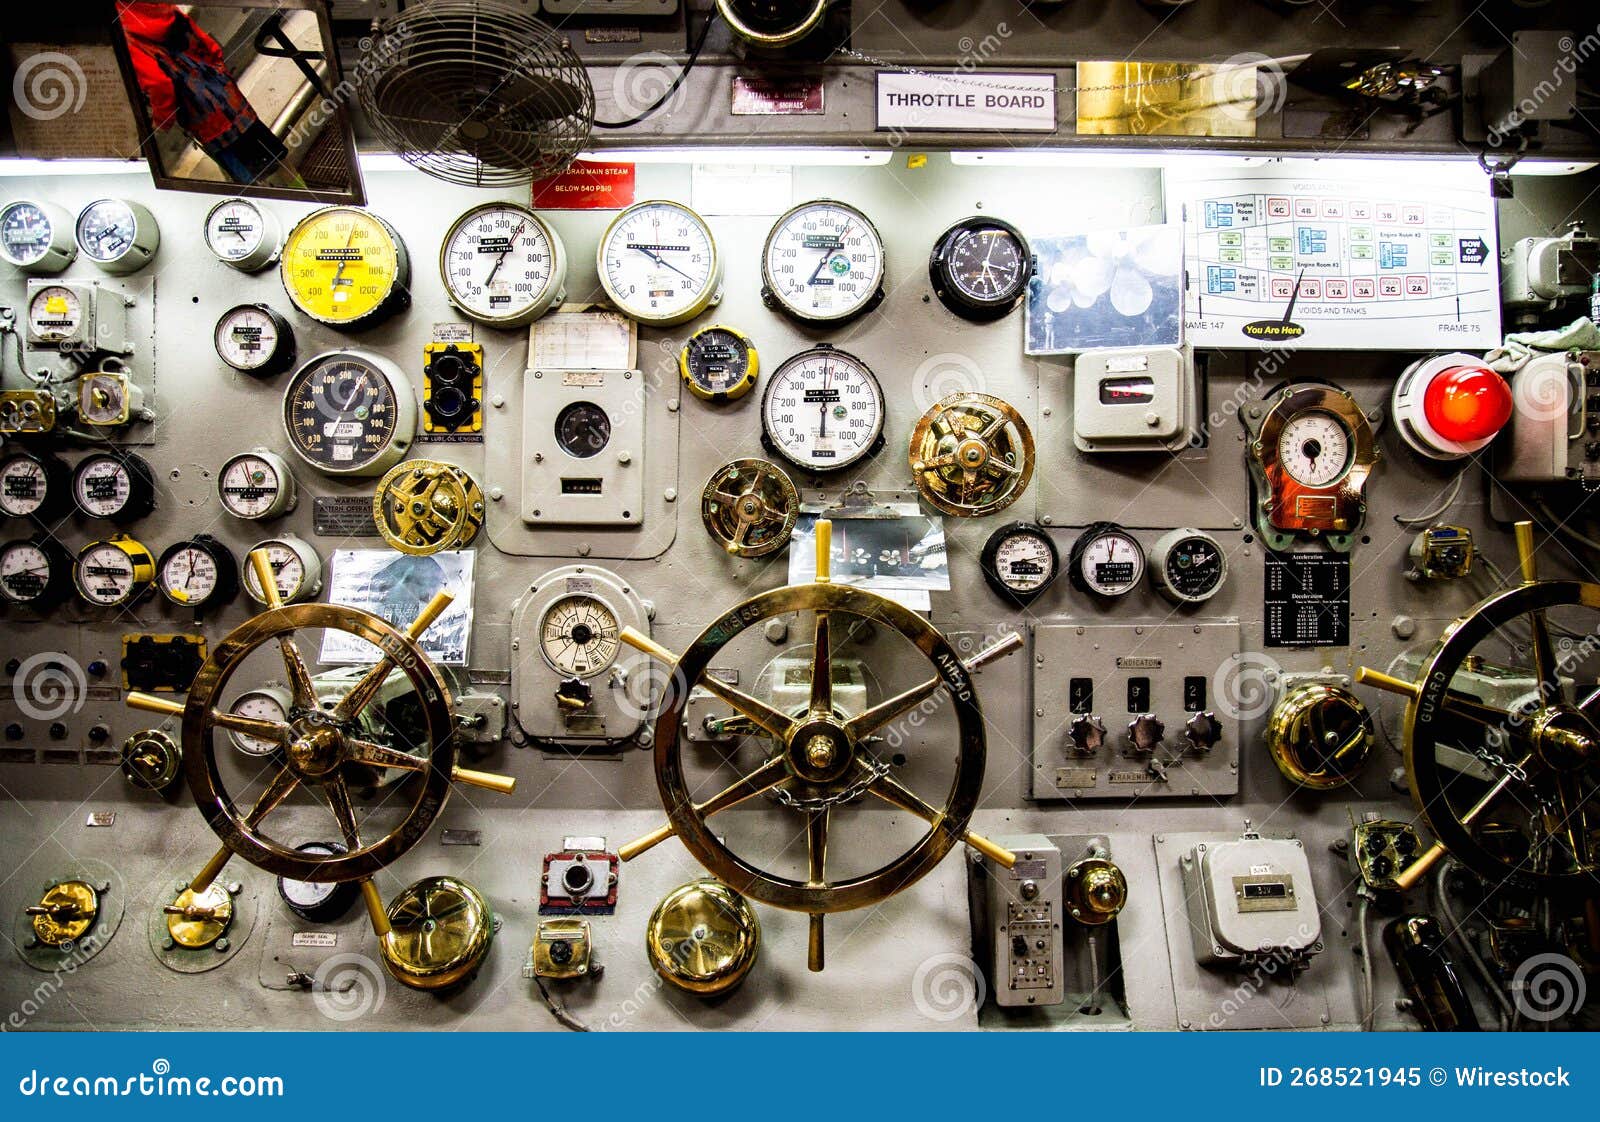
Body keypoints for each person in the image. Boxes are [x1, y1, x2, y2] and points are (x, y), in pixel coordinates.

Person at [119, 3, 289, 184]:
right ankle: (300, 191)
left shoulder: (127, 35)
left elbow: (159, 84)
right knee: (273, 156)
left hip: (208, 123)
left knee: (248, 178)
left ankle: (269, 198)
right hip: (232, 102)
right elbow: (209, 45)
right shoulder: (165, 10)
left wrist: (161, 122)